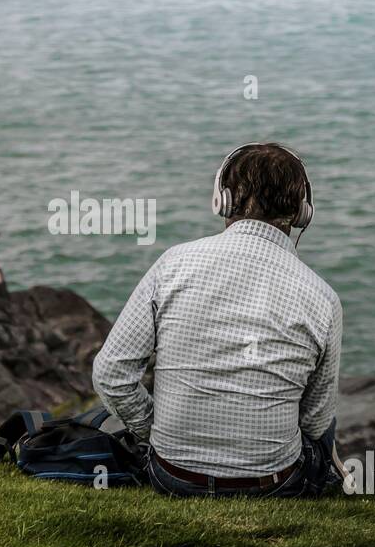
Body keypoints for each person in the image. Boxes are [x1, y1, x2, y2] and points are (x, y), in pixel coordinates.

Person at [92, 143, 344, 498]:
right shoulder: (323, 297)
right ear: (302, 213)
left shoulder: (173, 265)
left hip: (172, 475)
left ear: (222, 200)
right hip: (272, 485)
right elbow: (314, 422)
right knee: (326, 421)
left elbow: (110, 374)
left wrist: (153, 431)